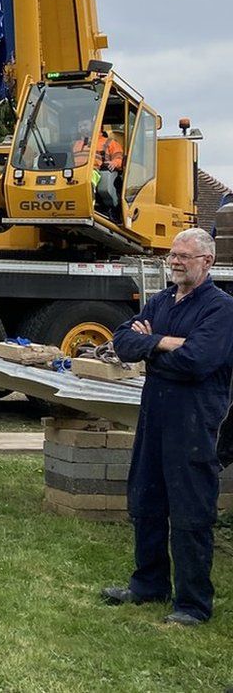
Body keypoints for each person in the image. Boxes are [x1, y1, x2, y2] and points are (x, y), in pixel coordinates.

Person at [102, 227, 233, 625]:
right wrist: (165, 342)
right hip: (154, 418)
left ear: (207, 262)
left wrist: (151, 348)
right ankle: (148, 584)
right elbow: (122, 342)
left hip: (195, 423)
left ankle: (192, 603)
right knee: (146, 501)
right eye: (172, 255)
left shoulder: (221, 309)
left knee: (191, 511)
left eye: (183, 256)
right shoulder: (161, 300)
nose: (174, 262)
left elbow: (196, 362)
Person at [72, 120, 123, 209]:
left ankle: (89, 203)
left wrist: (114, 163)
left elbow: (119, 157)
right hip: (75, 172)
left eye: (85, 125)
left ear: (95, 125)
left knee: (89, 178)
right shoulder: (75, 144)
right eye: (80, 126)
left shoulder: (110, 142)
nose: (82, 128)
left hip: (95, 170)